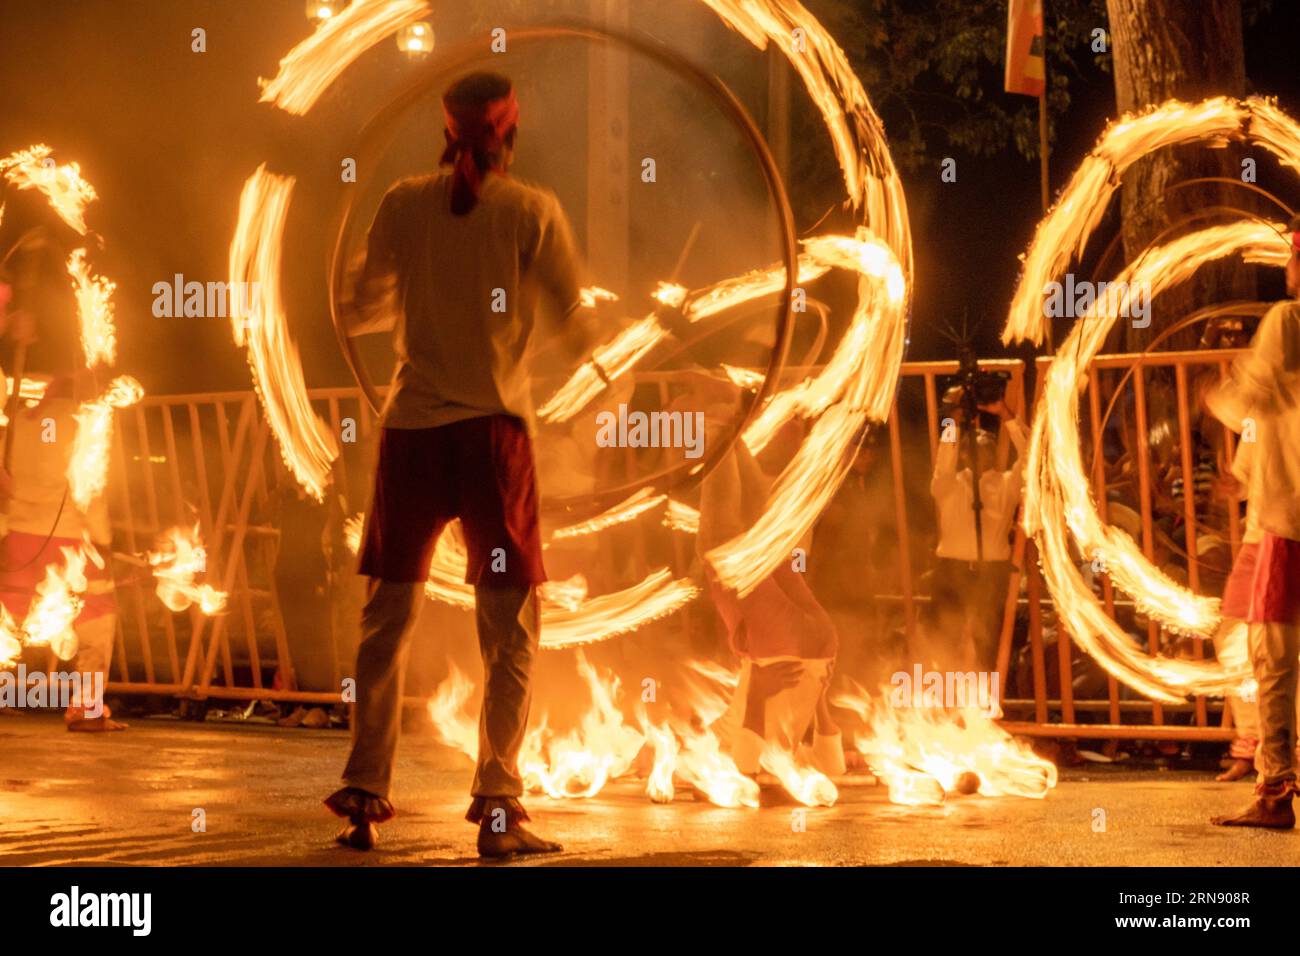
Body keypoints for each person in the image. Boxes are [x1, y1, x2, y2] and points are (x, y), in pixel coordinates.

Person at [325, 72, 590, 858]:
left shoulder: (403, 203)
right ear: (513, 132)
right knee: (507, 628)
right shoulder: (531, 210)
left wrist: (364, 290)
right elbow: (575, 316)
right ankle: (500, 810)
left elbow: (360, 307)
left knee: (387, 618)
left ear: (447, 131)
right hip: (491, 437)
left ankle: (364, 798)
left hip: (412, 431)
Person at [0, 232, 122, 732]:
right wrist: (107, 540)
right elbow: (90, 489)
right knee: (97, 619)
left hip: (19, 537)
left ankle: (85, 707)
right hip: (67, 537)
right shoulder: (78, 423)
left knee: (7, 620)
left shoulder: (14, 418)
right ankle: (87, 707)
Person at [1208, 214, 1300, 829]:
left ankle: (1274, 794)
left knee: (1273, 657)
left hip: (1288, 522)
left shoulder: (1288, 320)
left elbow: (1247, 393)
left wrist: (1213, 397)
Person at [929, 395, 1027, 671]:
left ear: (995, 451)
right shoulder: (947, 484)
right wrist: (953, 420)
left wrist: (1006, 415)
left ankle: (986, 703)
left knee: (990, 645)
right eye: (972, 443)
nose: (979, 446)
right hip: (952, 570)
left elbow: (1033, 457)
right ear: (962, 453)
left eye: (987, 443)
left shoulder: (1007, 484)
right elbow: (944, 456)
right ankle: (943, 704)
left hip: (991, 573)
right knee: (944, 642)